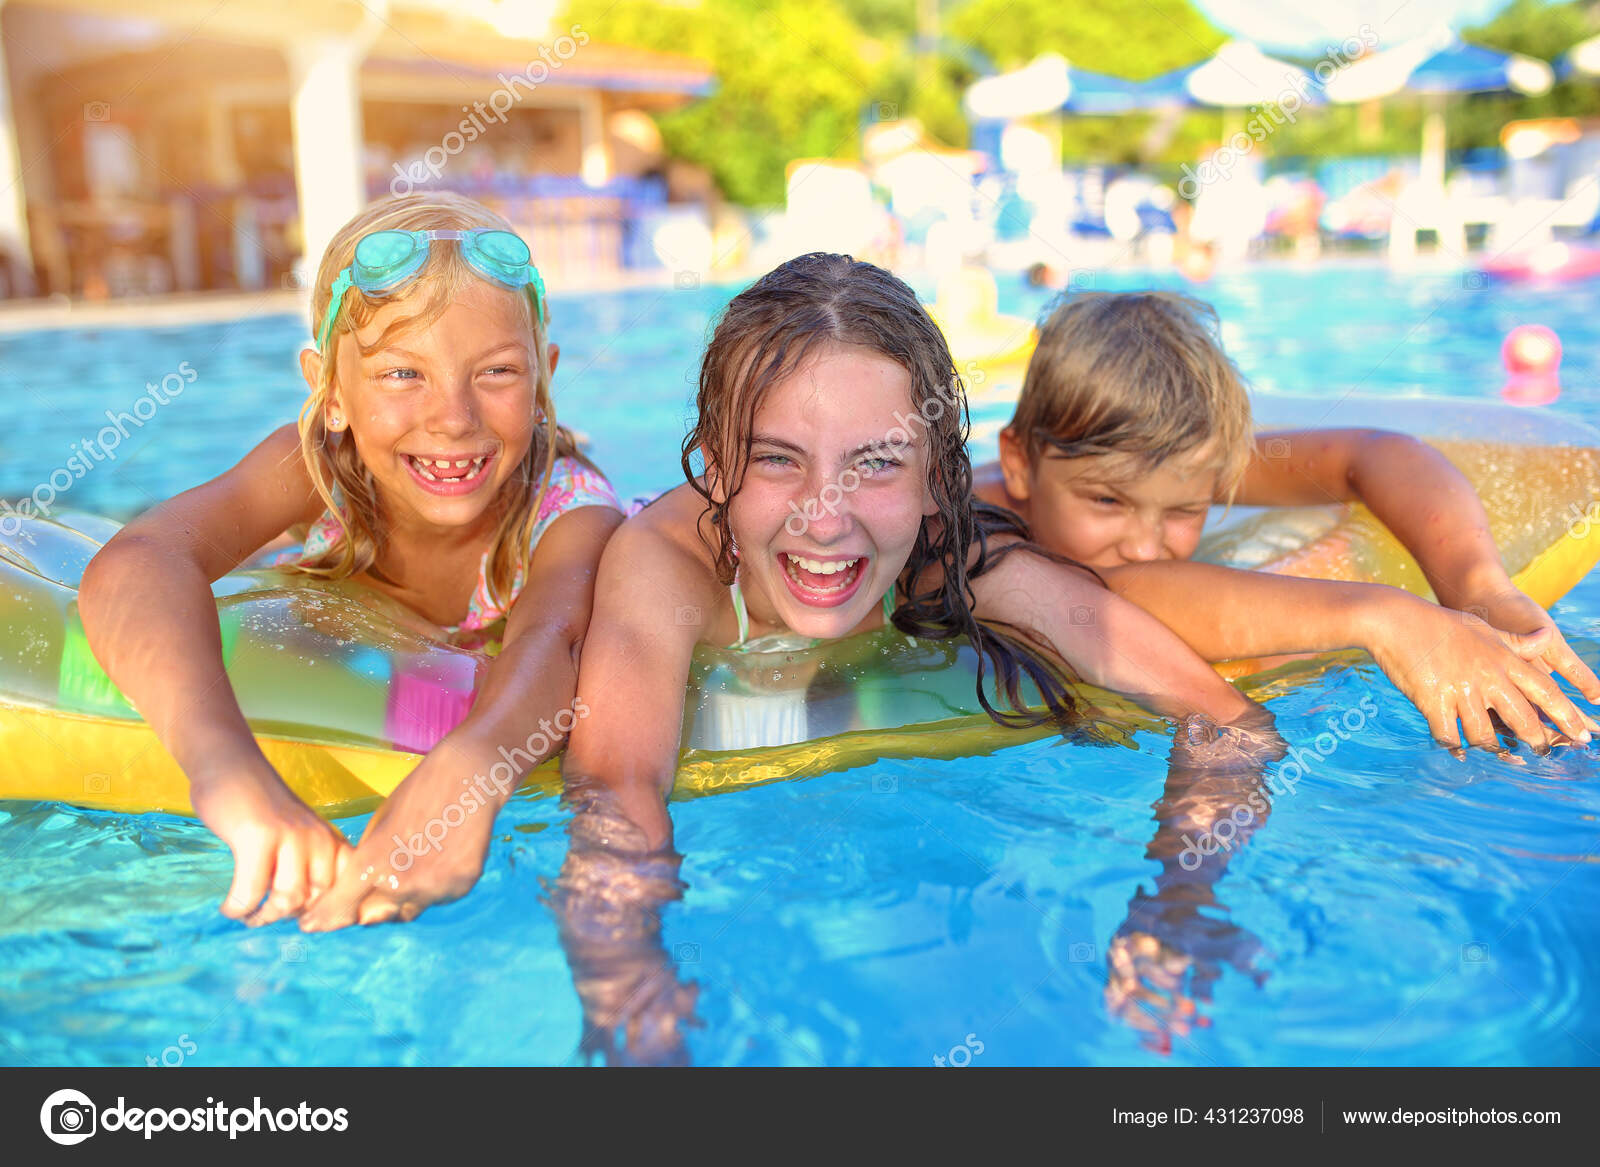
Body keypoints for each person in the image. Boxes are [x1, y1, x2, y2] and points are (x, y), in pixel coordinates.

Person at [78, 193, 621, 930]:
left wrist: (468, 774)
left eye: (496, 372)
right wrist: (226, 772)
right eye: (403, 374)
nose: (453, 418)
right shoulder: (315, 470)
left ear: (543, 381)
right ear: (330, 392)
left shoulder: (571, 509)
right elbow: (141, 558)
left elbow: (556, 641)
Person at [974, 289, 1600, 750]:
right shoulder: (964, 521)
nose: (1144, 544)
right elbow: (1108, 598)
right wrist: (1386, 616)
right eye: (1108, 503)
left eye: (1185, 510)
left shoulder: (1167, 461)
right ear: (1020, 463)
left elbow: (1372, 454)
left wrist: (1480, 588)